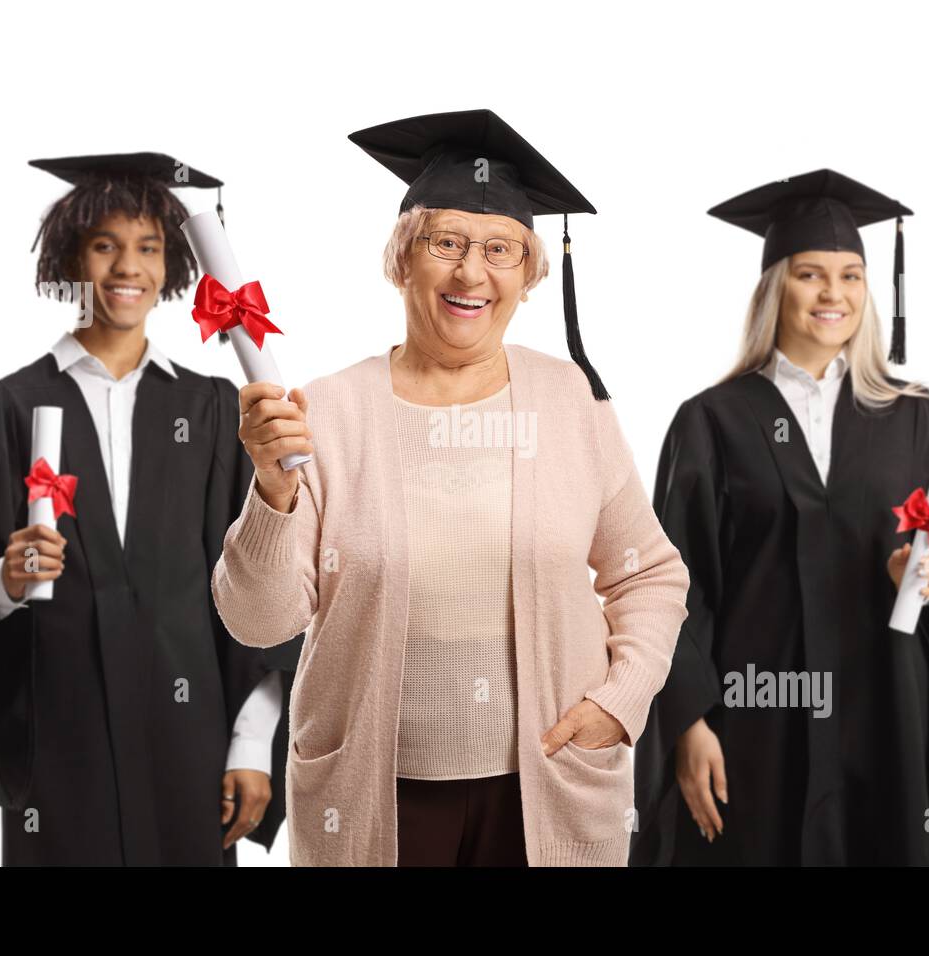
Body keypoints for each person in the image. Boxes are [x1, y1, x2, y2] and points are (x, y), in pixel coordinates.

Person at [212, 110, 690, 866]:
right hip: (377, 795)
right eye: (447, 244)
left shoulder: (568, 400)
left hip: (545, 782)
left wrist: (619, 701)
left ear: (528, 275)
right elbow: (261, 622)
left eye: (500, 250)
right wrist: (272, 491)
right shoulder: (328, 409)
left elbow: (650, 574)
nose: (472, 273)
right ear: (404, 261)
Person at [0, 152, 302, 865]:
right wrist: (6, 578)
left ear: (173, 264)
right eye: (105, 246)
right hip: (61, 736)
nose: (129, 267)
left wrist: (252, 744)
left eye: (148, 247)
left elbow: (255, 580)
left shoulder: (210, 410)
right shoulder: (8, 406)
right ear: (70, 258)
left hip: (190, 742)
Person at [631, 170, 929, 866]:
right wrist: (687, 722)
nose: (834, 294)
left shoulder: (918, 419)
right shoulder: (712, 422)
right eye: (810, 273)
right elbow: (671, 584)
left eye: (852, 276)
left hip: (882, 719)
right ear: (777, 286)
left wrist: (920, 583)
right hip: (751, 722)